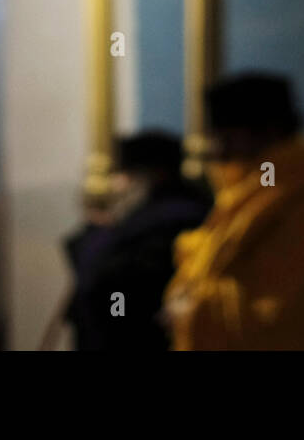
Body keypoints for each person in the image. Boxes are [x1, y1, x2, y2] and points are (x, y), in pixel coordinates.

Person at [164, 74, 304, 350]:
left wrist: (191, 311)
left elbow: (292, 324)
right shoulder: (257, 193)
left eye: (226, 137)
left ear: (265, 131)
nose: (218, 151)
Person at [61, 131, 210, 350]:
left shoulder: (173, 221)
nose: (116, 185)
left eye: (124, 174)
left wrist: (98, 235)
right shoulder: (150, 220)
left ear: (152, 176)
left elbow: (110, 285)